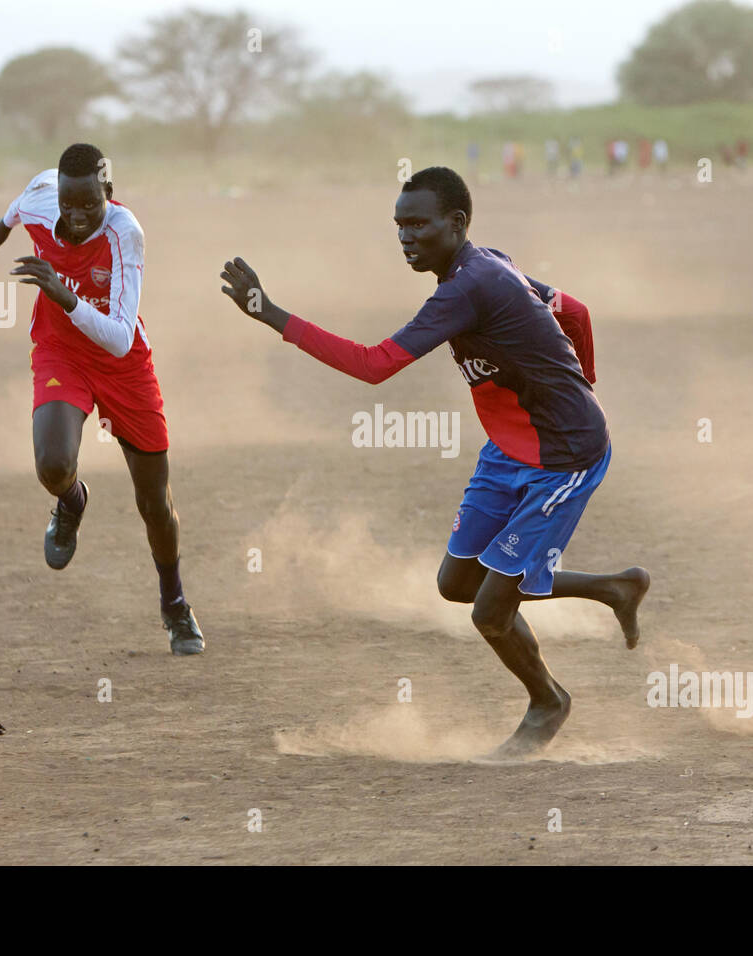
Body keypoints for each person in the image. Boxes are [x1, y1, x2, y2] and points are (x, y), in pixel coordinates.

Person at [219, 166, 649, 757]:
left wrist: (272, 313)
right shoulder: (487, 263)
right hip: (509, 449)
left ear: (457, 223)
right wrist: (582, 382)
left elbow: (374, 365)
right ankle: (613, 588)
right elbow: (574, 312)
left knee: (490, 612)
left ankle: (548, 700)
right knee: (458, 584)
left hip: (565, 455)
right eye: (399, 225)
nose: (405, 237)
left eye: (418, 224)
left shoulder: (470, 288)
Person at [0, 144, 205, 654]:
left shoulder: (125, 233)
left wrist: (64, 294)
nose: (76, 218)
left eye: (89, 206)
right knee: (53, 465)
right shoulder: (43, 200)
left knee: (154, 505)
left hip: (124, 365)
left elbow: (120, 337)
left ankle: (174, 603)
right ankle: (72, 501)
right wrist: (0, 224)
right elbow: (25, 197)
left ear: (109, 196)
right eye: (68, 204)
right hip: (61, 353)